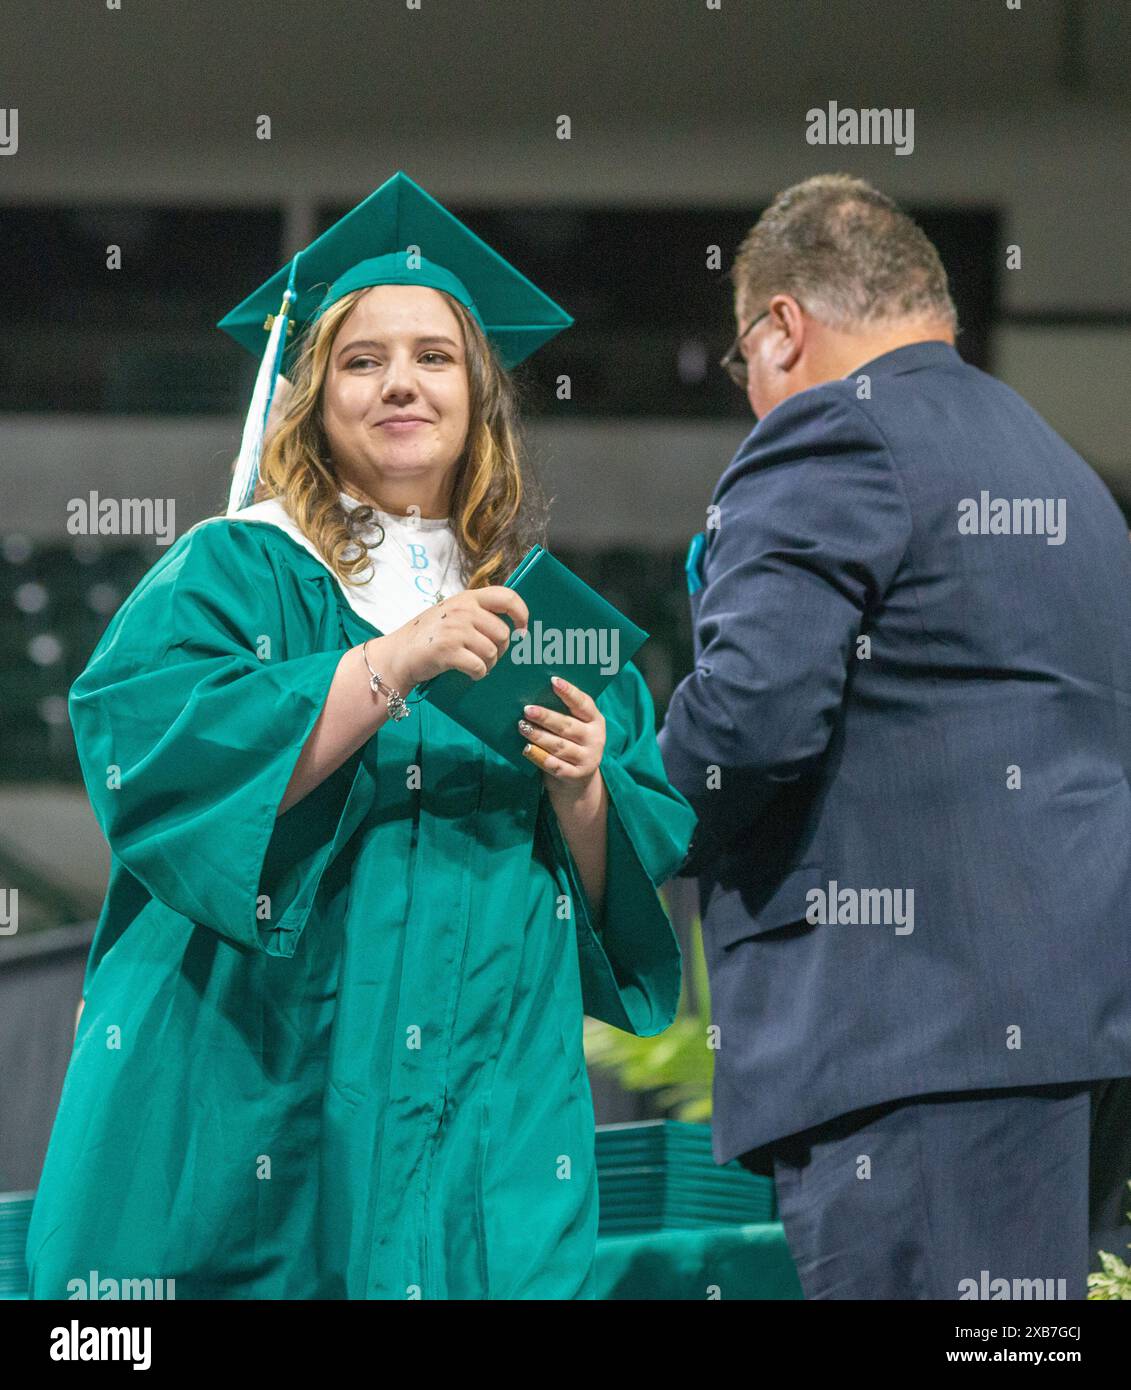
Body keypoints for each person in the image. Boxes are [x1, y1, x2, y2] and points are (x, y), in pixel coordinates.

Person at [27, 172, 696, 1300]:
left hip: (483, 1089)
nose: (402, 384)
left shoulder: (541, 620)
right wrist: (390, 661)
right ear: (313, 393)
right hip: (267, 1064)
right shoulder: (234, 569)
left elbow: (619, 882)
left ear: (480, 396)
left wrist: (585, 788)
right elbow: (152, 761)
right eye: (363, 358)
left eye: (435, 358)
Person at [658, 174, 1131, 1300]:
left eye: (742, 366)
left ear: (783, 326)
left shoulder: (832, 431)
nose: (751, 401)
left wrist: (609, 813)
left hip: (912, 1045)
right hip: (1075, 1047)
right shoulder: (1063, 475)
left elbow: (747, 720)